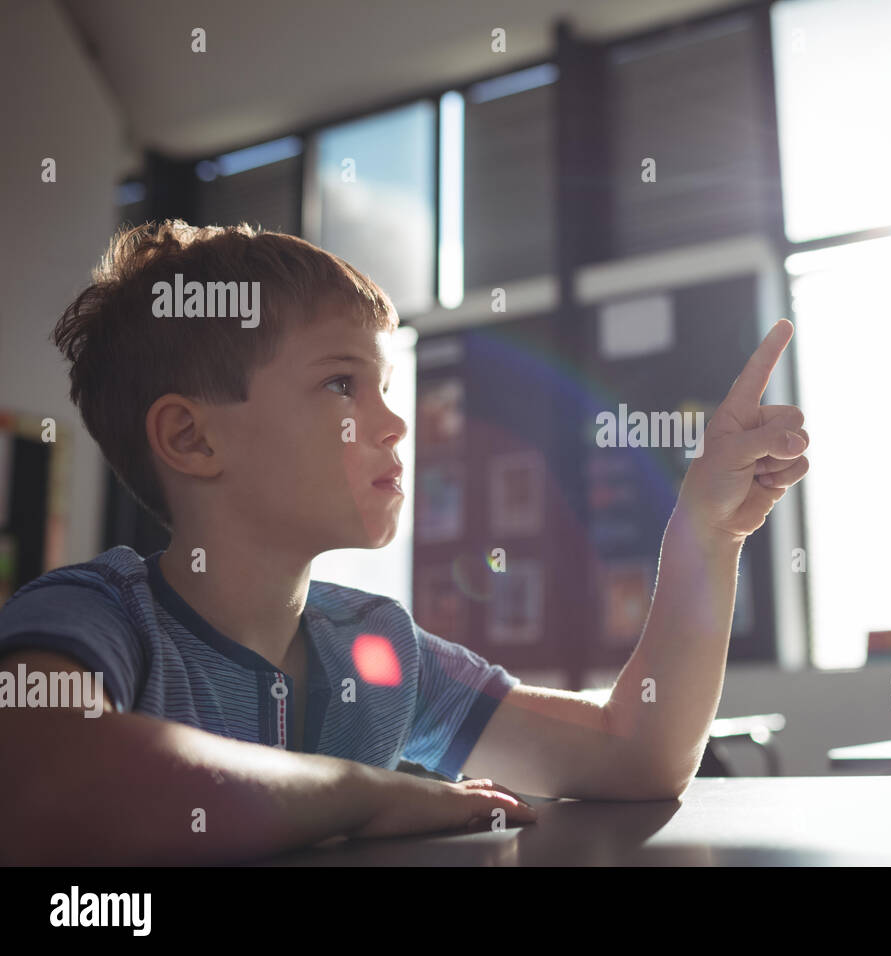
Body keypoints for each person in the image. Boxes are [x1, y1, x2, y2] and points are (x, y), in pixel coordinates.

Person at [0, 220, 809, 864]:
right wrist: (364, 792)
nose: (394, 423)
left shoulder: (379, 647)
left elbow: (637, 754)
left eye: (386, 387)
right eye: (341, 383)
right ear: (192, 438)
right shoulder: (95, 614)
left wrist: (708, 529)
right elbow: (41, 777)